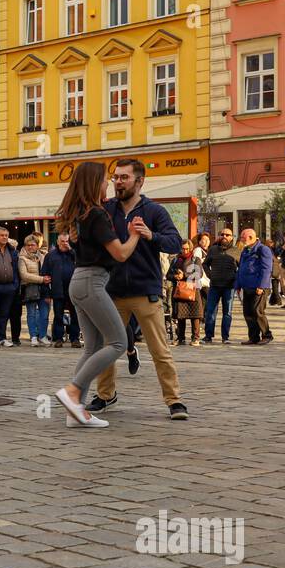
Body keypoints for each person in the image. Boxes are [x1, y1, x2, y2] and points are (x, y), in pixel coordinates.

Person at [88, 159, 188, 419]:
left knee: (160, 351)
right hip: (112, 291)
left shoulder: (154, 211)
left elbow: (175, 242)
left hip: (146, 291)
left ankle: (174, 401)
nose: (118, 182)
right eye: (116, 178)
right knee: (107, 348)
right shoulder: (105, 209)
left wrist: (151, 236)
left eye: (124, 178)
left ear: (139, 181)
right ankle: (105, 395)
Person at [52, 160, 145, 428]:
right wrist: (134, 235)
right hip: (92, 282)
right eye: (105, 179)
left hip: (79, 281)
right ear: (94, 183)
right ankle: (73, 392)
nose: (109, 183)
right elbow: (121, 253)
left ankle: (75, 412)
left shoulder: (79, 214)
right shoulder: (96, 213)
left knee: (91, 347)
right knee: (116, 342)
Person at [236, 228, 274, 346]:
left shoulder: (263, 249)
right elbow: (240, 268)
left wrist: (261, 286)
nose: (241, 240)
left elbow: (266, 269)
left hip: (259, 286)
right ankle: (253, 337)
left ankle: (267, 335)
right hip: (247, 286)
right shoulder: (245, 250)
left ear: (251, 237)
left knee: (257, 311)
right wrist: (238, 284)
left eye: (243, 238)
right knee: (248, 312)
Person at [202, 228, 239, 344]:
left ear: (232, 237)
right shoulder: (213, 250)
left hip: (229, 286)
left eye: (227, 235)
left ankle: (225, 337)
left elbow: (242, 267)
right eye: (222, 234)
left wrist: (236, 277)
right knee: (210, 311)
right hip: (215, 285)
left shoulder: (236, 251)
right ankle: (208, 336)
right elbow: (205, 264)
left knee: (227, 313)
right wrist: (210, 275)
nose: (224, 236)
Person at [43, 232, 79, 348]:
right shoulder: (51, 255)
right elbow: (45, 275)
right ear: (58, 242)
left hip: (73, 290)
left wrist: (71, 250)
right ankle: (58, 338)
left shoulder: (74, 253)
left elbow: (81, 262)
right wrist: (46, 294)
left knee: (75, 315)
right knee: (58, 315)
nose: (65, 243)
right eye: (62, 241)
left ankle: (75, 339)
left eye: (67, 241)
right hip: (58, 290)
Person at [170, 238, 204, 346]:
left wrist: (184, 275)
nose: (184, 251)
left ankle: (195, 338)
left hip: (192, 290)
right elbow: (168, 275)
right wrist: (175, 276)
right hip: (179, 291)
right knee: (180, 316)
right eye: (183, 249)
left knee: (195, 316)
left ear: (191, 248)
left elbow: (199, 273)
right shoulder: (176, 259)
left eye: (187, 249)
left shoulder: (195, 259)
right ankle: (180, 338)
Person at [19, 234, 51, 346]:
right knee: (31, 314)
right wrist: (42, 279)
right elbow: (24, 275)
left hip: (44, 289)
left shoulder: (43, 256)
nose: (30, 247)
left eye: (33, 245)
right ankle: (33, 336)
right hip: (30, 288)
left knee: (45, 314)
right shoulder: (22, 258)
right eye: (28, 245)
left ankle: (42, 336)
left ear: (37, 246)